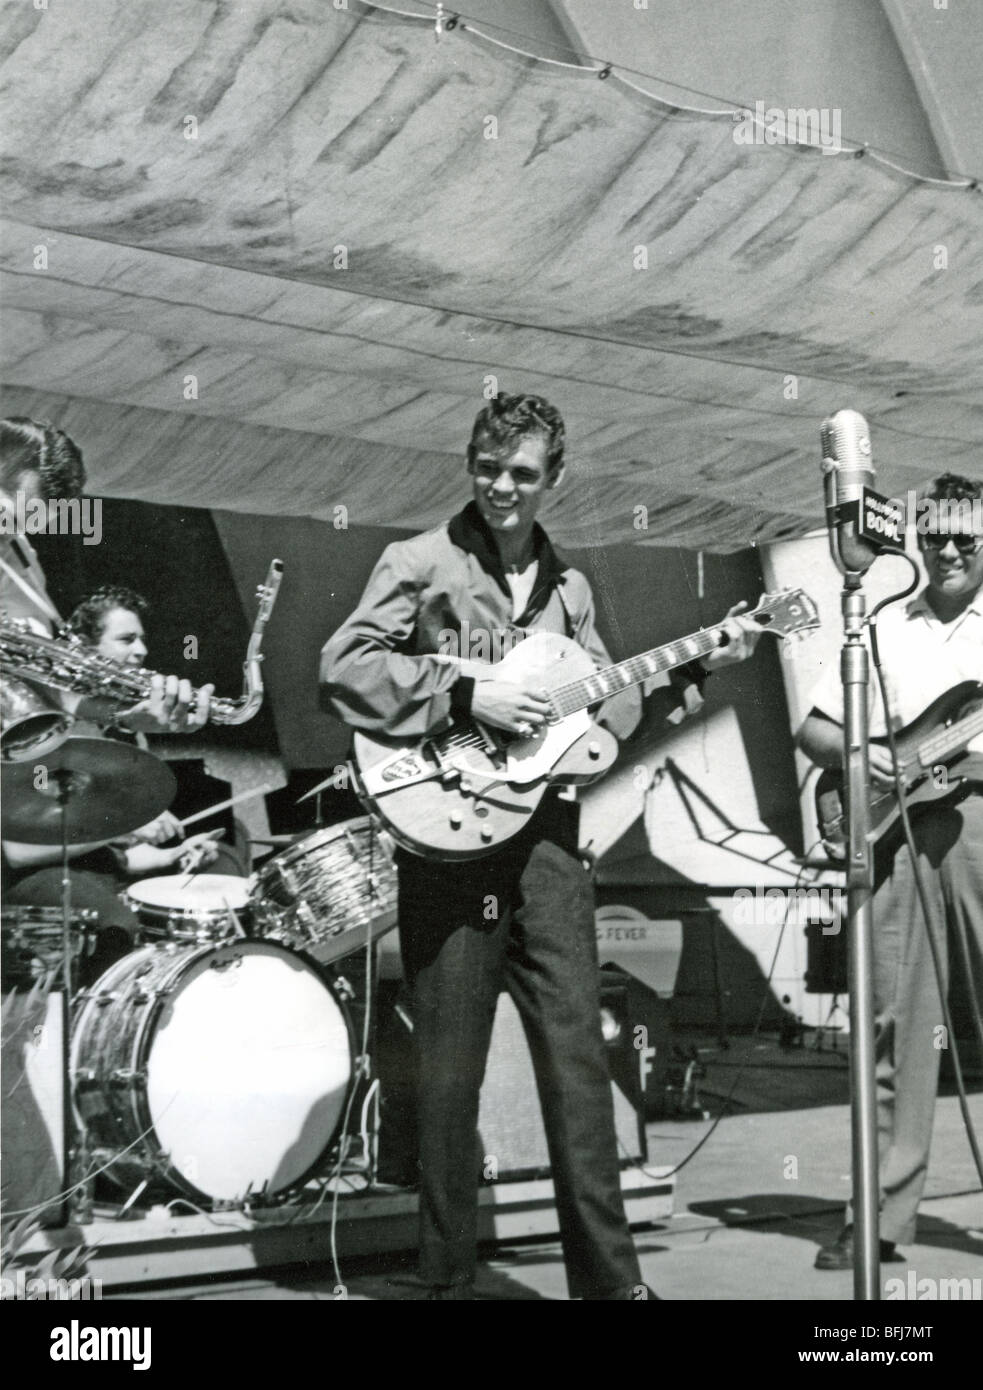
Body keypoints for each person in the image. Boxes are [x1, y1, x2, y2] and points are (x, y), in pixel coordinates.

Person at [320, 391, 760, 1299]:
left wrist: (688, 669)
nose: (502, 487)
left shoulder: (571, 589)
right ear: (469, 462)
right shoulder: (419, 560)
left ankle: (611, 1285)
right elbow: (343, 668)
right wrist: (461, 698)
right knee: (447, 1074)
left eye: (522, 473)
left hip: (548, 850)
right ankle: (444, 1279)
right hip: (447, 844)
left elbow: (600, 723)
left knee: (578, 1066)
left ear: (553, 479)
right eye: (488, 467)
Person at [797, 471, 983, 1270]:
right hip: (895, 827)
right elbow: (812, 725)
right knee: (889, 1029)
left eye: (964, 536)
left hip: (978, 817)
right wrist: (861, 752)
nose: (946, 548)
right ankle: (877, 1218)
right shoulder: (876, 625)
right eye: (933, 533)